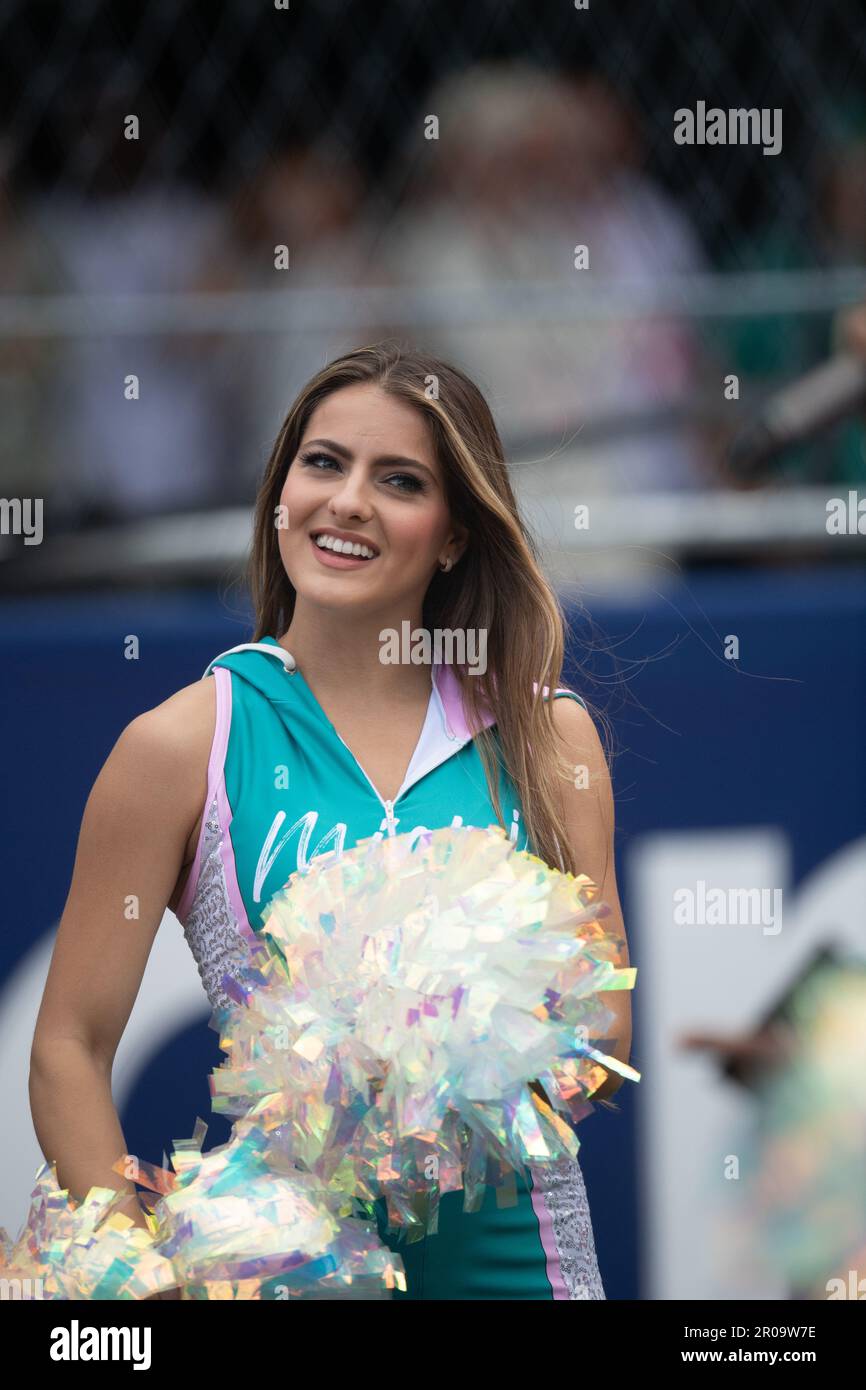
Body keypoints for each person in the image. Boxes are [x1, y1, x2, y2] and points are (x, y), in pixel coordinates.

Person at [28, 342, 632, 1300]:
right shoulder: (185, 744)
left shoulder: (545, 732)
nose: (349, 501)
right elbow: (69, 1043)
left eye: (399, 481)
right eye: (324, 463)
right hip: (298, 1280)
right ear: (279, 496)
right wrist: (139, 1276)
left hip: (528, 1277)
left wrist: (427, 1052)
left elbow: (605, 1041)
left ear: (453, 535)